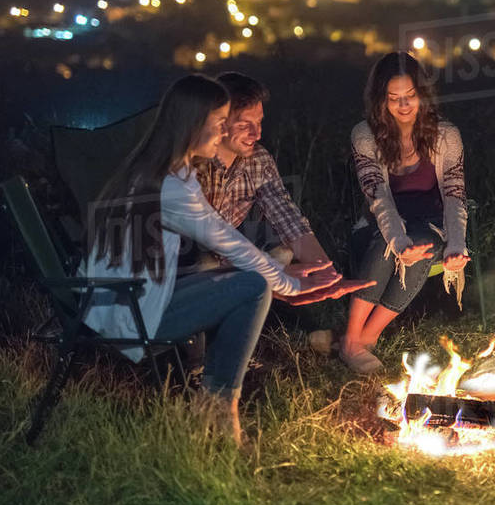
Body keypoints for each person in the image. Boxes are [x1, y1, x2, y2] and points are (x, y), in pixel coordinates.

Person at [84, 74, 355, 446]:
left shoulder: (167, 169)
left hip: (128, 298)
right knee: (253, 284)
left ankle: (212, 399)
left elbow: (253, 237)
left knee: (252, 277)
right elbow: (230, 243)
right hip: (130, 315)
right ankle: (219, 405)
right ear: (193, 125)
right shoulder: (171, 186)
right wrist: (288, 282)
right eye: (217, 125)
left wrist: (299, 274)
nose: (220, 133)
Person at [336, 52, 469, 374]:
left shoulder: (445, 135)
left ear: (422, 95)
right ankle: (352, 339)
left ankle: (365, 338)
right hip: (377, 223)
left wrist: (456, 245)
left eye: (410, 96)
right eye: (394, 98)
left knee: (423, 249)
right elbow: (378, 197)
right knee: (386, 246)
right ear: (380, 100)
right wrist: (398, 241)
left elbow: (454, 194)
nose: (404, 105)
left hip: (429, 224)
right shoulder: (365, 134)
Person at [192, 71, 371, 301]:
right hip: (181, 259)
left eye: (259, 122)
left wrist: (328, 277)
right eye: (245, 124)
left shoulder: (257, 159)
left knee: (283, 251)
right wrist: (274, 276)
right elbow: (202, 236)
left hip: (226, 254)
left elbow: (288, 219)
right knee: (205, 264)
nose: (256, 133)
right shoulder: (193, 162)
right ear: (219, 122)